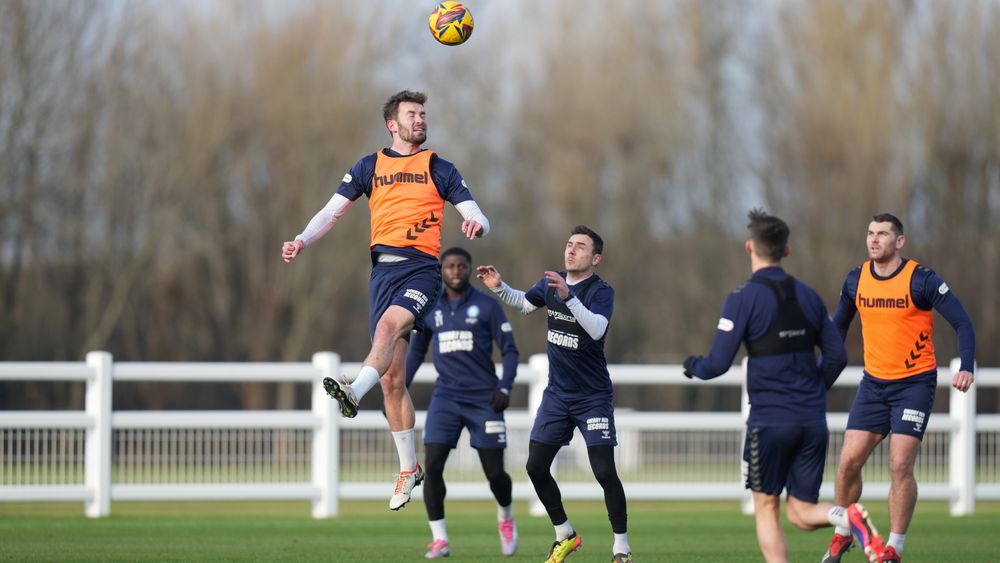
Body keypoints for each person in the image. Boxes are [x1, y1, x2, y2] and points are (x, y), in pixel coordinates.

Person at [281, 90, 490, 511]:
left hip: (421, 270)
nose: (421, 119)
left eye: (423, 113)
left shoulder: (439, 167)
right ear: (392, 124)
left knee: (386, 328)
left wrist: (475, 224)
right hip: (382, 273)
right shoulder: (368, 166)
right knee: (393, 381)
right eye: (412, 113)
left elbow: (478, 213)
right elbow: (331, 212)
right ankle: (409, 468)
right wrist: (302, 239)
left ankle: (353, 391)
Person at [683, 209, 886, 563]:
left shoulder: (741, 298)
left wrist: (691, 366)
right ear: (787, 251)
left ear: (750, 247)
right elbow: (837, 356)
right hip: (811, 421)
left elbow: (716, 364)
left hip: (769, 422)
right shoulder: (809, 296)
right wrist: (812, 389)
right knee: (802, 512)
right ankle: (845, 515)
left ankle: (845, 518)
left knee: (766, 507)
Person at [821, 213, 976, 563]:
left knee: (899, 465)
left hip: (914, 385)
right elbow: (835, 335)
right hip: (873, 384)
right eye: (870, 233)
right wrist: (819, 380)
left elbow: (963, 323)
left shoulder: (921, 280)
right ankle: (844, 534)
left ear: (899, 241)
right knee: (847, 463)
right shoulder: (855, 280)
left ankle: (894, 548)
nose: (874, 240)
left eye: (882, 234)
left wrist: (966, 366)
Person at [477, 225, 633, 563]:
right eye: (569, 244)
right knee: (535, 466)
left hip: (592, 396)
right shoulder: (551, 282)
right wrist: (499, 287)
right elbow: (523, 304)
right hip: (558, 396)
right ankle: (565, 532)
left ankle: (621, 545)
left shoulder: (601, 291)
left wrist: (568, 297)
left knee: (604, 471)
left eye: (580, 246)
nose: (571, 250)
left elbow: (597, 329)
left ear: (596, 258)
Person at [404, 246, 521, 559]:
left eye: (461, 266)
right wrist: (400, 385)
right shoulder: (430, 309)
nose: (455, 271)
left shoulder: (487, 306)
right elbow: (416, 351)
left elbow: (510, 350)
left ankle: (506, 516)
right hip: (446, 398)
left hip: (485, 399)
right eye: (450, 266)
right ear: (441, 270)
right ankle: (439, 538)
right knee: (433, 464)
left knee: (495, 473)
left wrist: (505, 388)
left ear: (469, 270)